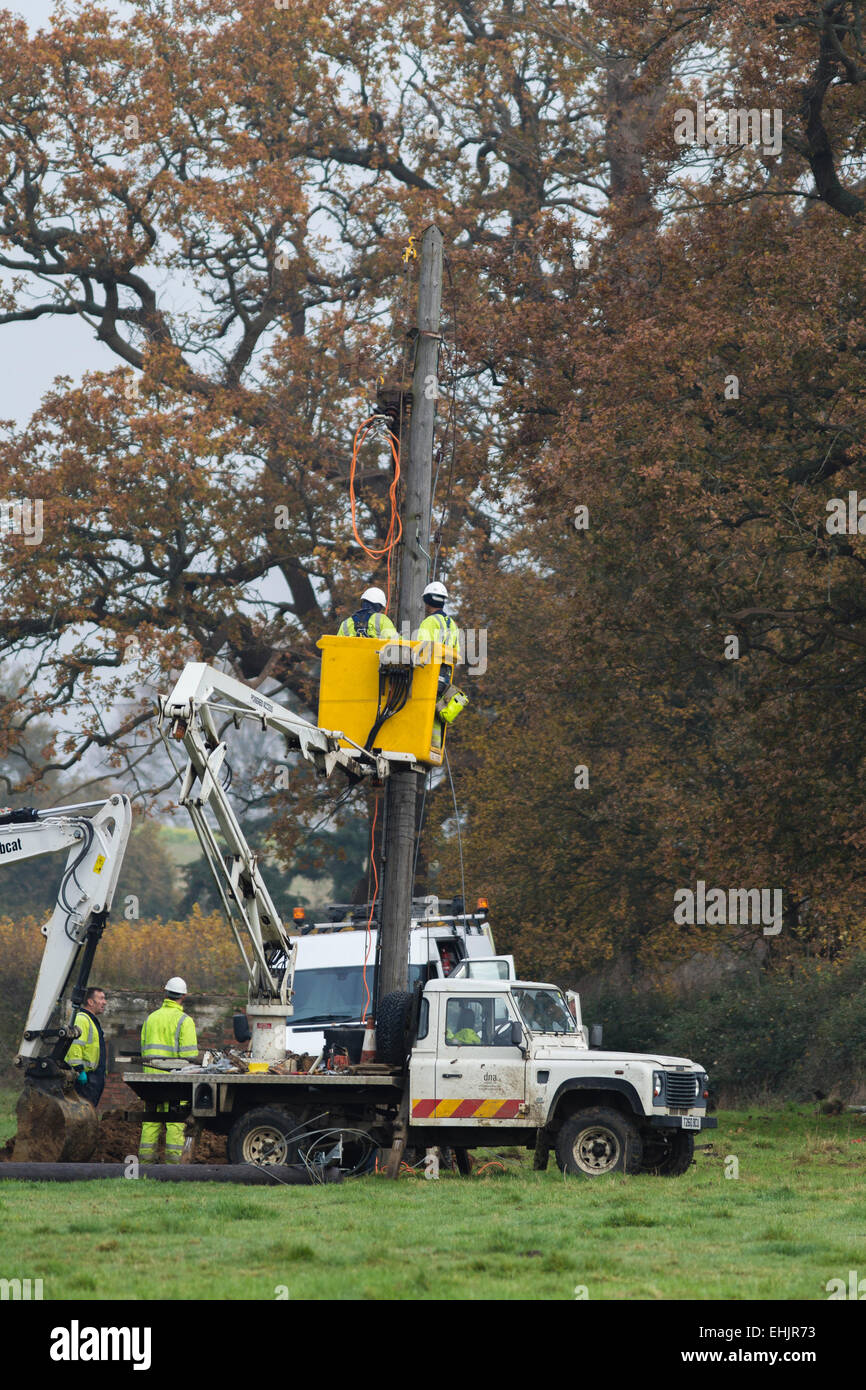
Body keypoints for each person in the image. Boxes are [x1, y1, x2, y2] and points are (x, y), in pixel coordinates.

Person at [138, 976, 198, 1165]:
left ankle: (144, 1166)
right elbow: (190, 1058)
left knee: (150, 1121)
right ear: (184, 996)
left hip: (151, 1082)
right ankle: (174, 1166)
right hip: (174, 1083)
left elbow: (143, 1050)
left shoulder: (151, 1019)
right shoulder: (184, 1021)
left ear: (165, 993)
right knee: (175, 1122)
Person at [416, 581, 466, 748]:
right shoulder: (452, 625)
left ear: (427, 601)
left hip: (429, 677)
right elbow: (455, 655)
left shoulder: (429, 622)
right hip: (444, 680)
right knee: (436, 715)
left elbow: (421, 651)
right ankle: (433, 748)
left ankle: (420, 746)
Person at [65, 985, 108, 1107]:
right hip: (85, 1079)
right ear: (90, 1001)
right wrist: (79, 1070)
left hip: (93, 1078)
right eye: (101, 998)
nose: (104, 1002)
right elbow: (75, 1045)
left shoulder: (91, 1021)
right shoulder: (82, 1019)